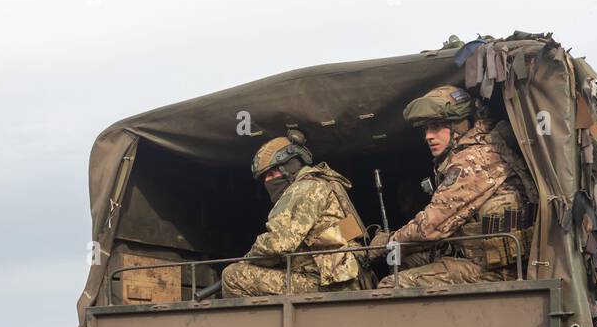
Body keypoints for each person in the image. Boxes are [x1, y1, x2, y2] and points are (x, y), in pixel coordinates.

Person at [371, 85, 536, 288]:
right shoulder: (479, 149)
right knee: (401, 262)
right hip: (479, 259)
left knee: (392, 284)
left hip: (494, 271)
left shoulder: (474, 159)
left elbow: (432, 226)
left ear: (458, 125)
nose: (428, 136)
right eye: (426, 129)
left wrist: (386, 242)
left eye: (436, 126)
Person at [221, 133, 369, 297]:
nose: (267, 182)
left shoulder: (301, 189)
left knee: (233, 275)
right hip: (344, 279)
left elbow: (278, 244)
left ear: (288, 168)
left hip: (327, 284)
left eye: (271, 174)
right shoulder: (323, 184)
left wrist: (247, 260)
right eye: (264, 178)